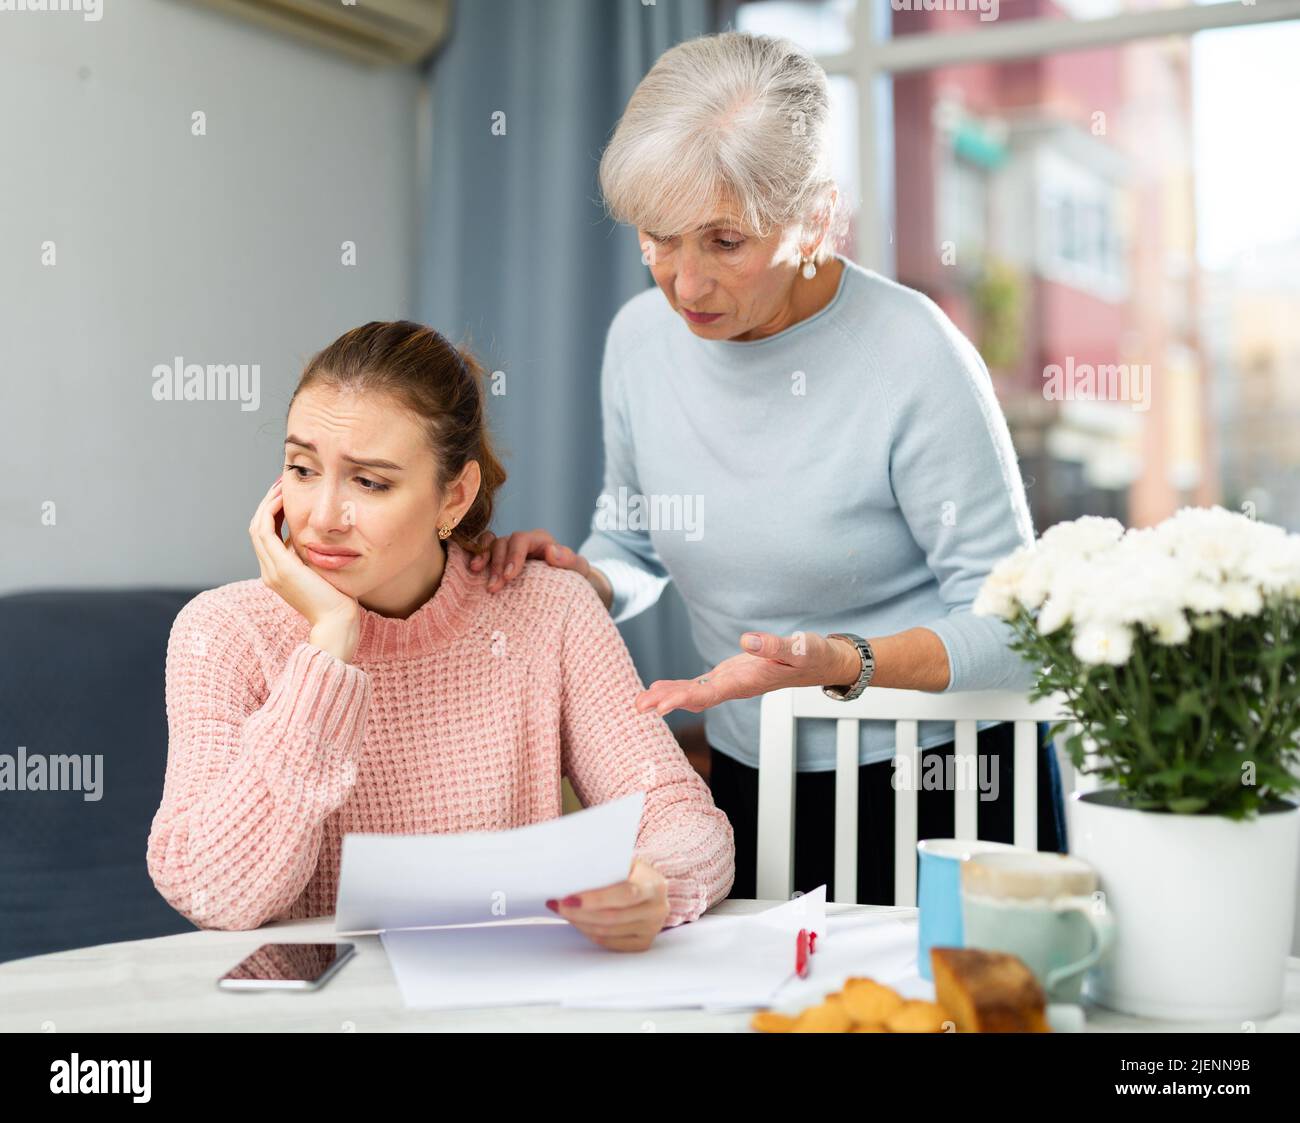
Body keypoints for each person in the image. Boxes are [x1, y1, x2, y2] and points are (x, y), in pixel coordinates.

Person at [472, 30, 1067, 904]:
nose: (685, 285)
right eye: (658, 239)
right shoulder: (639, 340)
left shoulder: (914, 356)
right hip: (755, 772)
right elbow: (634, 541)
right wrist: (589, 577)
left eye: (724, 241)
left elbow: (1024, 637)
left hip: (946, 782)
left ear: (818, 217)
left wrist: (839, 661)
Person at [146, 320, 734, 949]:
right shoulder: (222, 632)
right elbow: (210, 893)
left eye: (370, 482)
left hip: (500, 1003)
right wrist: (330, 646)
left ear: (454, 497)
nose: (320, 517)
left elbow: (680, 818)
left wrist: (657, 886)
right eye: (302, 468)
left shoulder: (549, 610)